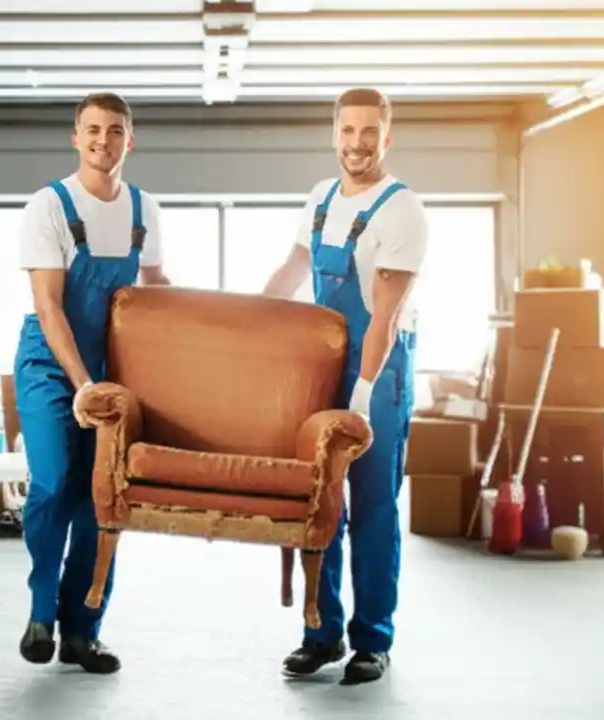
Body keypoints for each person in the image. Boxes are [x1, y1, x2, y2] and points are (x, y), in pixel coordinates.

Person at [262, 87, 428, 685]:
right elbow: (294, 266)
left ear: (386, 136)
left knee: (374, 506)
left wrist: (360, 395)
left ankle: (372, 640)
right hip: (322, 363)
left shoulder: (401, 210)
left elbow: (384, 316)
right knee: (318, 499)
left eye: (368, 132)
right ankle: (320, 633)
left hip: (378, 374)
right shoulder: (320, 198)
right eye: (347, 131)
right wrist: (250, 315)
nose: (356, 143)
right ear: (334, 133)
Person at [14, 92, 170, 675]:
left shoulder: (143, 209)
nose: (103, 140)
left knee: (99, 499)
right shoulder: (48, 206)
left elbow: (156, 291)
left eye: (115, 130)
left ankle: (84, 631)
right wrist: (83, 386)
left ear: (131, 139)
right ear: (75, 137)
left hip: (113, 369)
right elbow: (51, 309)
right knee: (55, 481)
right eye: (92, 130)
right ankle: (40, 611)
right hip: (52, 367)